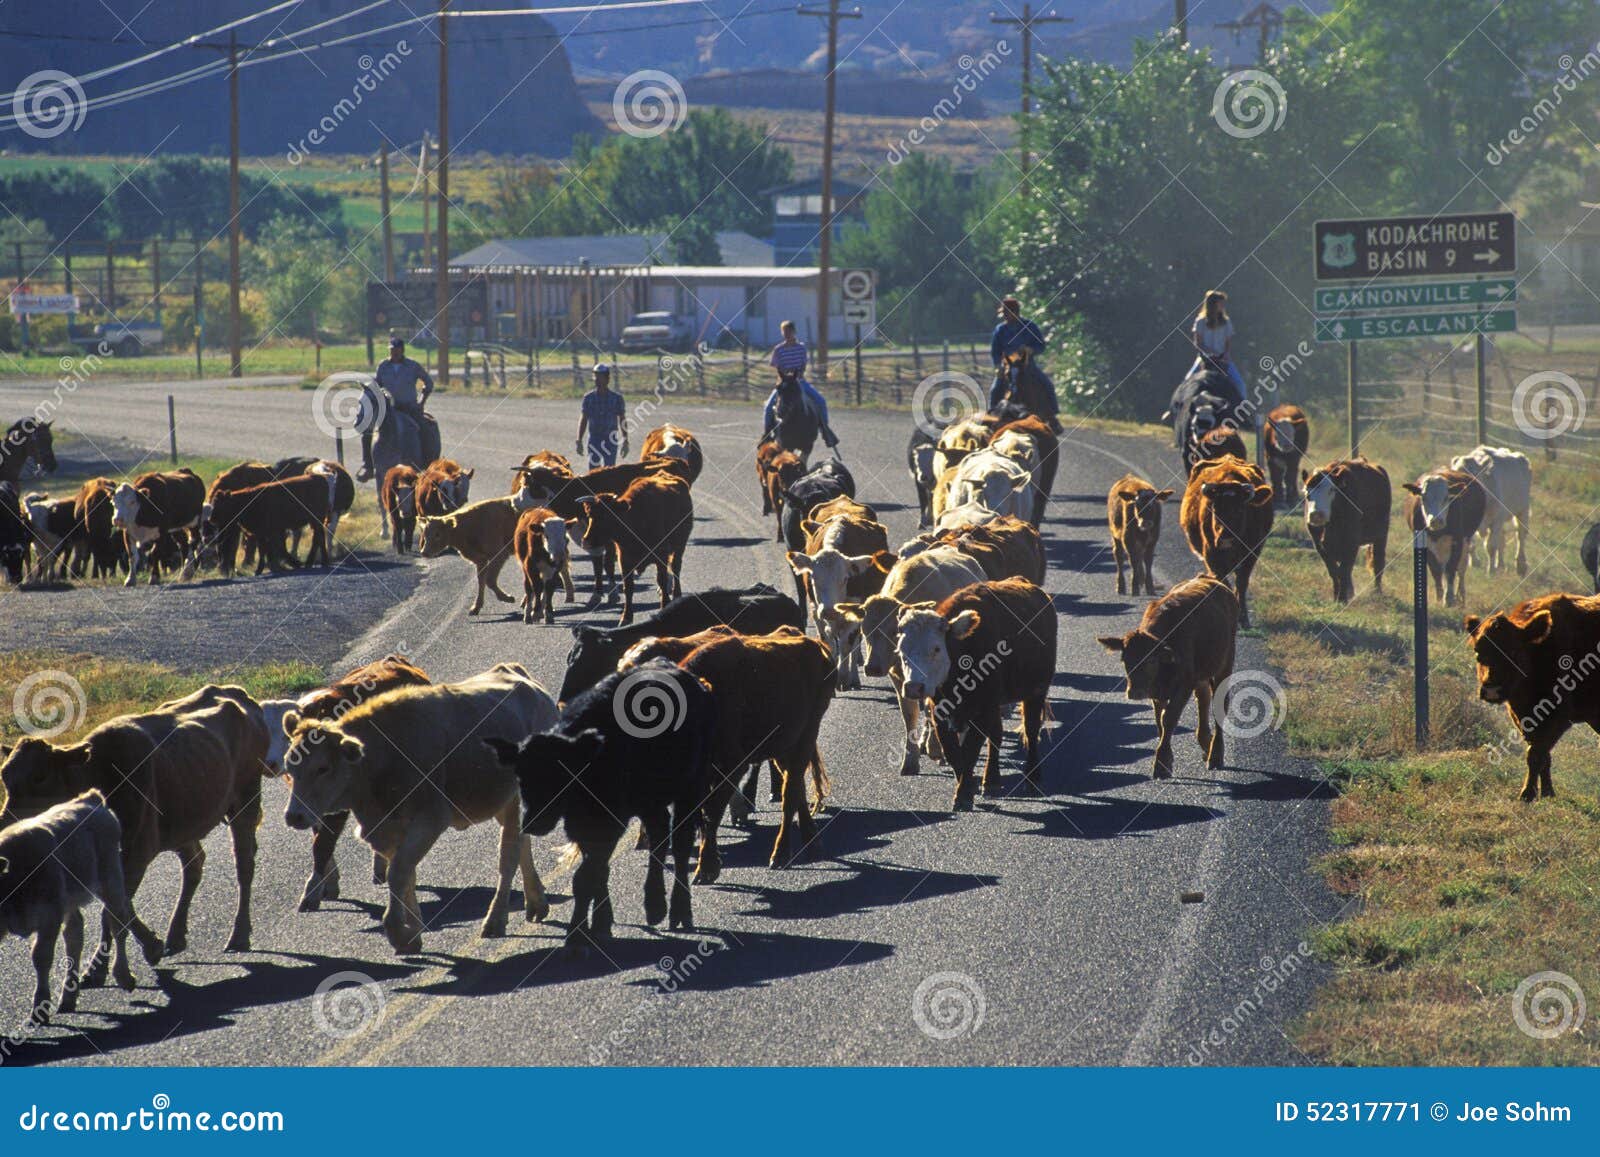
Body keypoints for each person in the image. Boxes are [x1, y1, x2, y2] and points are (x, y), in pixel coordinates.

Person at [358, 336, 433, 481]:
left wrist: (421, 402)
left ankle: (429, 465)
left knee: (426, 429)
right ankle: (368, 466)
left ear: (402, 350)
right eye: (392, 350)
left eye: (397, 350)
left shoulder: (412, 366)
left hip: (409, 408)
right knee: (367, 430)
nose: (394, 353)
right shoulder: (383, 366)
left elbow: (428, 383)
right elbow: (378, 385)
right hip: (387, 409)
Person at [761, 319, 838, 448]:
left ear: (794, 332)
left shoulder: (801, 348)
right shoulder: (778, 349)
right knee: (769, 406)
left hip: (799, 381)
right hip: (784, 383)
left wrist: (797, 375)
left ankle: (825, 431)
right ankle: (767, 434)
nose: (786, 334)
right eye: (784, 331)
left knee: (820, 401)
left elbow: (803, 366)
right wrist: (785, 376)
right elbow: (777, 367)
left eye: (788, 331)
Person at [988, 296, 1059, 424]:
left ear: (1015, 312)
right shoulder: (1000, 330)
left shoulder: (1030, 326)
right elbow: (995, 351)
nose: (1004, 316)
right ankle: (991, 417)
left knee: (1047, 385)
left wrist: (1031, 349)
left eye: (1006, 313)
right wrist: (998, 366)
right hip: (1007, 367)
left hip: (1027, 365)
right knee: (995, 389)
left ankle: (1052, 416)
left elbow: (1041, 345)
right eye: (1003, 313)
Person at [1188, 289, 1246, 404]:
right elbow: (1198, 343)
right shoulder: (1200, 321)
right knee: (1187, 380)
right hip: (1204, 359)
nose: (1223, 306)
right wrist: (1208, 353)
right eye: (1221, 303)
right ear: (1213, 304)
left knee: (1239, 383)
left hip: (1223, 359)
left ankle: (1243, 409)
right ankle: (1176, 408)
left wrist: (1225, 355)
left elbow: (1228, 343)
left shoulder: (1226, 322)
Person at [576, 363, 628, 468]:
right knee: (593, 472)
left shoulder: (616, 398)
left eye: (600, 377)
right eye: (595, 376)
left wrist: (625, 440)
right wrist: (579, 440)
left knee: (609, 471)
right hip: (594, 439)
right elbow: (584, 419)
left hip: (610, 440)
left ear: (607, 379)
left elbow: (622, 419)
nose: (597, 379)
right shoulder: (588, 398)